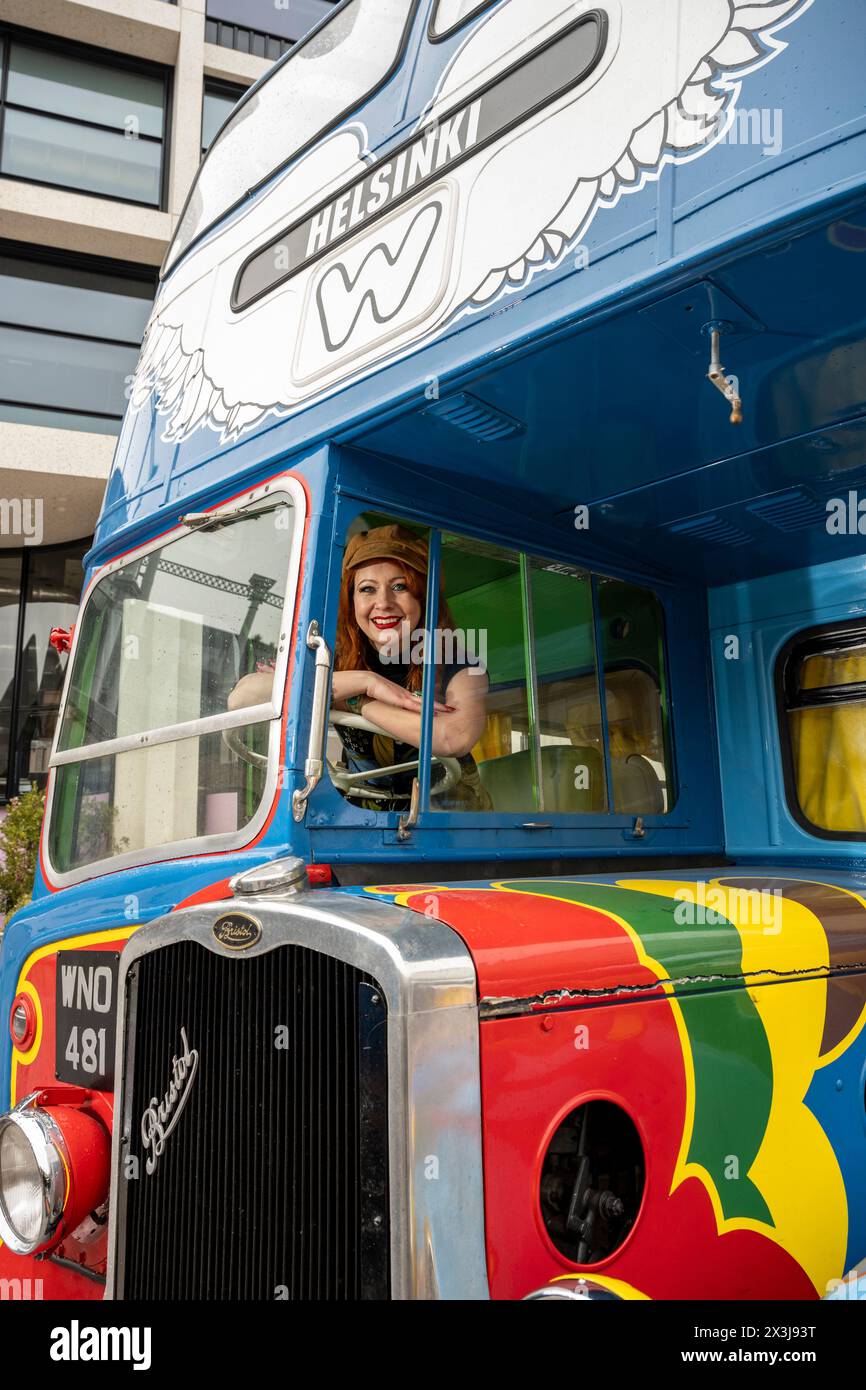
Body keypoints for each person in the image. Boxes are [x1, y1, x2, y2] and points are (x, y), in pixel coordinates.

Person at [331, 524, 490, 811]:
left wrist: (357, 701)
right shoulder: (334, 658)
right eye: (367, 589)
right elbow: (243, 696)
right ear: (351, 600)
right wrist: (366, 680)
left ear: (423, 596)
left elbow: (454, 737)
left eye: (400, 587)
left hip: (448, 822)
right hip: (361, 820)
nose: (383, 603)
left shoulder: (460, 662)